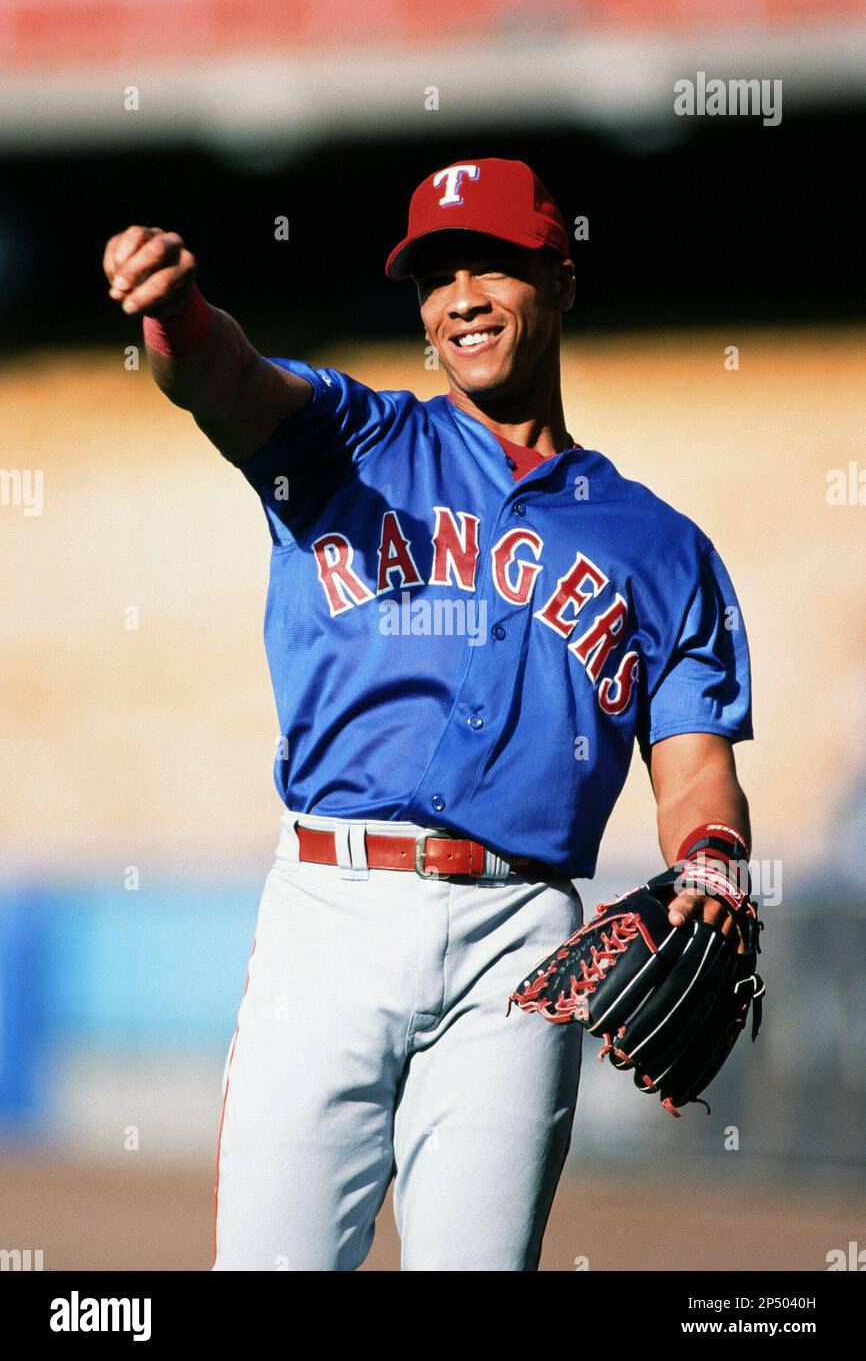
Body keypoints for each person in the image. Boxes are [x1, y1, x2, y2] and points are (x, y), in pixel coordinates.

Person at [102, 157, 753, 1271]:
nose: (459, 297)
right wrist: (176, 316)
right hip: (333, 911)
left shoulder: (659, 544)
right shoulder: (349, 439)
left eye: (491, 265)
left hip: (522, 940)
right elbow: (229, 381)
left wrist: (711, 860)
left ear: (557, 277)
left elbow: (690, 764)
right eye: (434, 273)